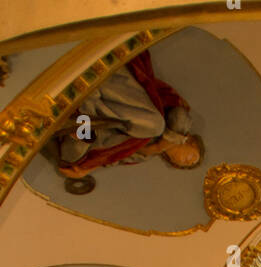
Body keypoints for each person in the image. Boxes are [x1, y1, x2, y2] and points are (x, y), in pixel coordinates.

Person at [53, 52, 203, 181]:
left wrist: (87, 170)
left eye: (183, 165)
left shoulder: (145, 155)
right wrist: (161, 145)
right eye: (191, 159)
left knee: (72, 160)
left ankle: (81, 125)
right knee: (154, 126)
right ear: (190, 141)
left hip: (103, 128)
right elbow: (179, 116)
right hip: (119, 99)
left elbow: (114, 158)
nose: (185, 162)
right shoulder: (181, 126)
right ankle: (88, 103)